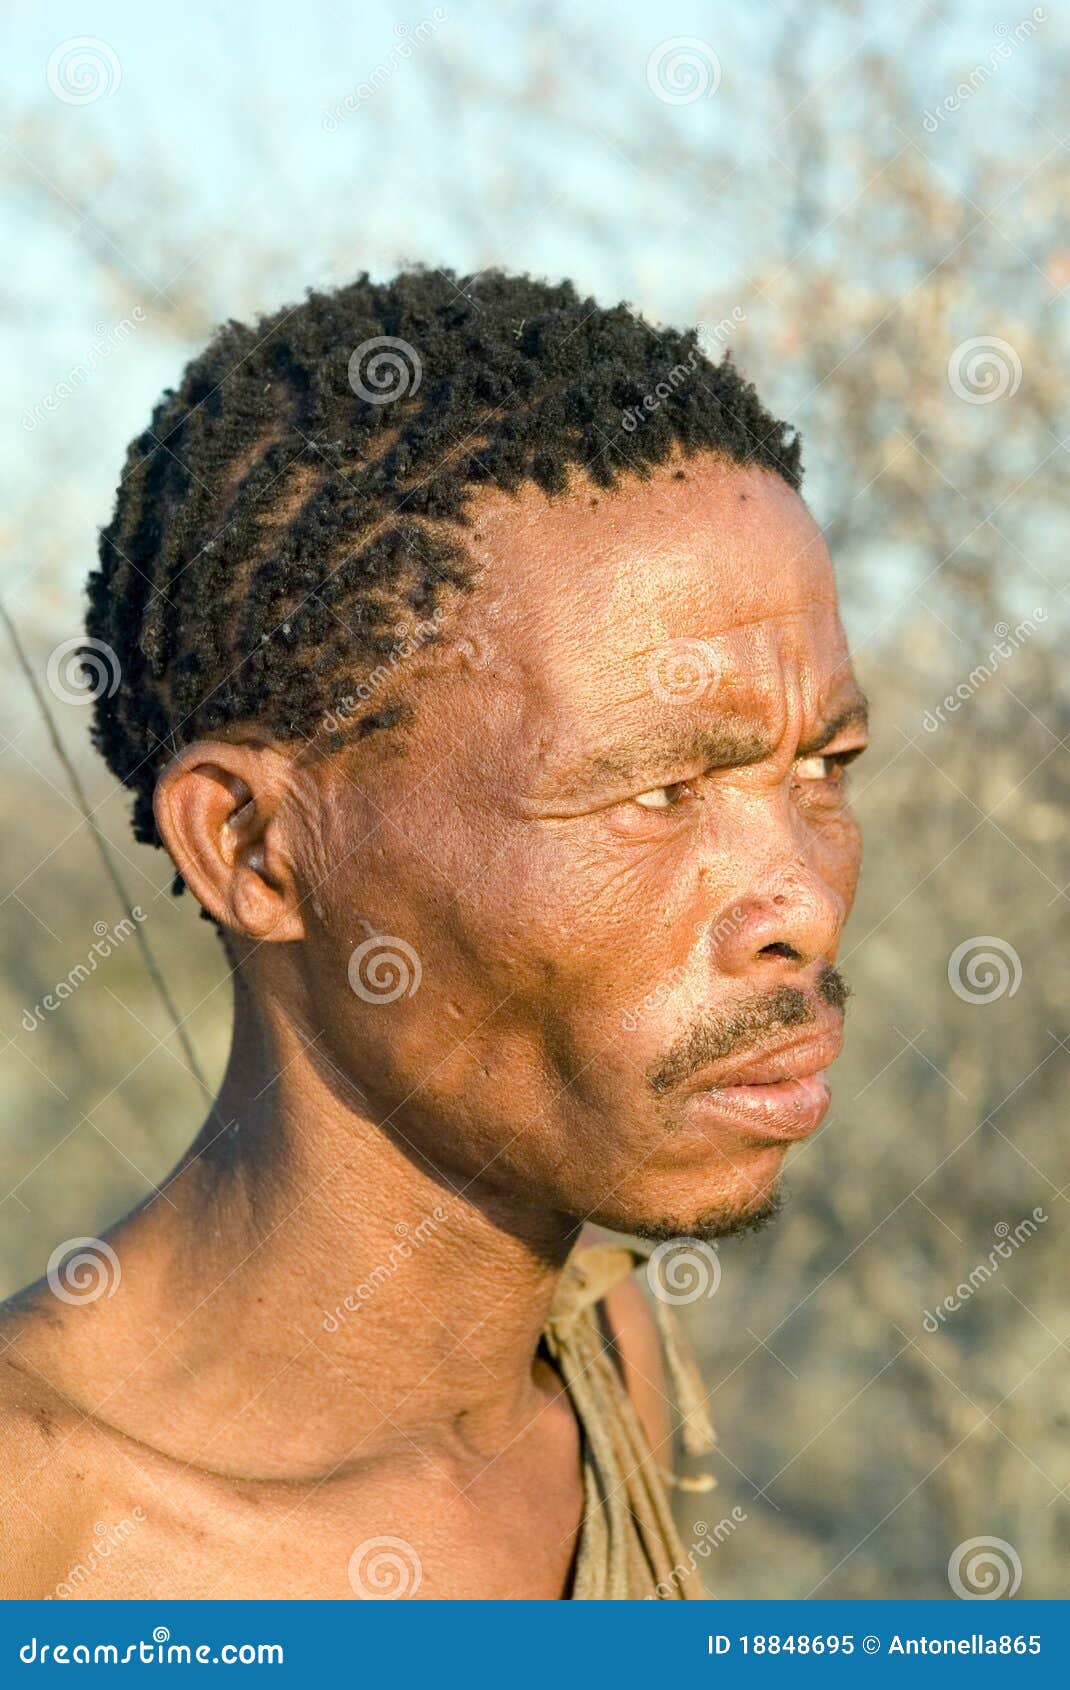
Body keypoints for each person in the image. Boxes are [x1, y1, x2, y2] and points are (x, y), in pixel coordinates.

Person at [0, 268, 867, 1598]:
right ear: (250, 848)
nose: (799, 904)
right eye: (654, 792)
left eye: (823, 764)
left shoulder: (601, 1359)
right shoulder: (45, 1534)